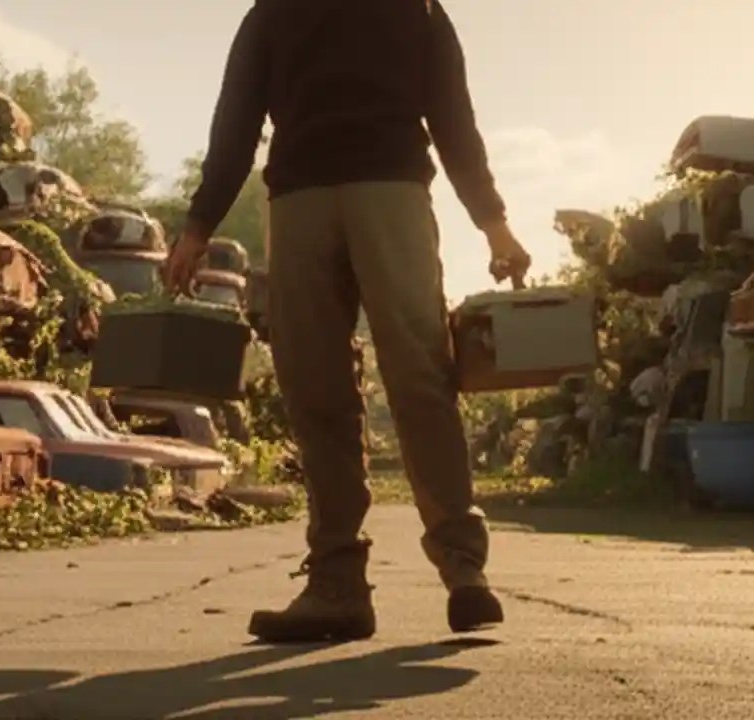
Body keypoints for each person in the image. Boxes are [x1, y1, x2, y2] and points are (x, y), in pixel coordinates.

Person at [162, 0, 531, 643]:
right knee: (315, 389)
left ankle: (465, 570)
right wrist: (199, 225)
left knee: (420, 374)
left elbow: (452, 118)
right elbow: (237, 122)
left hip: (391, 191)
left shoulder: (414, 8)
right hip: (301, 201)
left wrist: (492, 221)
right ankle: (337, 583)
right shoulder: (272, 13)